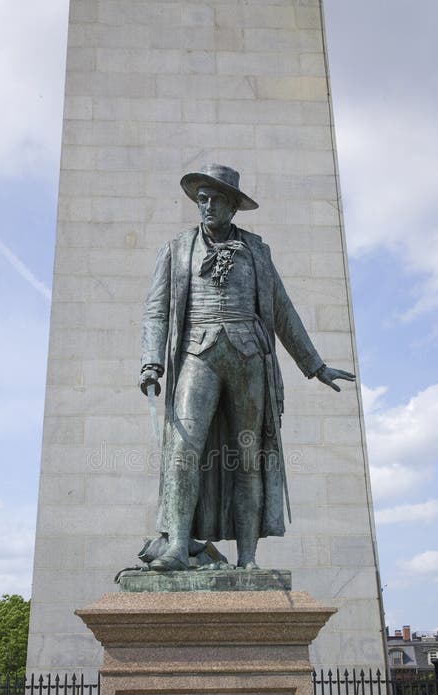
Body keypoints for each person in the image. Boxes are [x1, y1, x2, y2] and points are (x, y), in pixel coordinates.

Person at [140, 164, 354, 571]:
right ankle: (178, 545)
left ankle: (249, 558)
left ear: (234, 205)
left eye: (216, 198)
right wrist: (151, 361)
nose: (207, 206)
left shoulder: (256, 249)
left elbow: (281, 310)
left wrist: (316, 366)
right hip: (196, 354)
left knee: (247, 456)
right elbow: (155, 311)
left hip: (248, 357)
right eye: (201, 198)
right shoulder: (175, 249)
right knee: (184, 451)